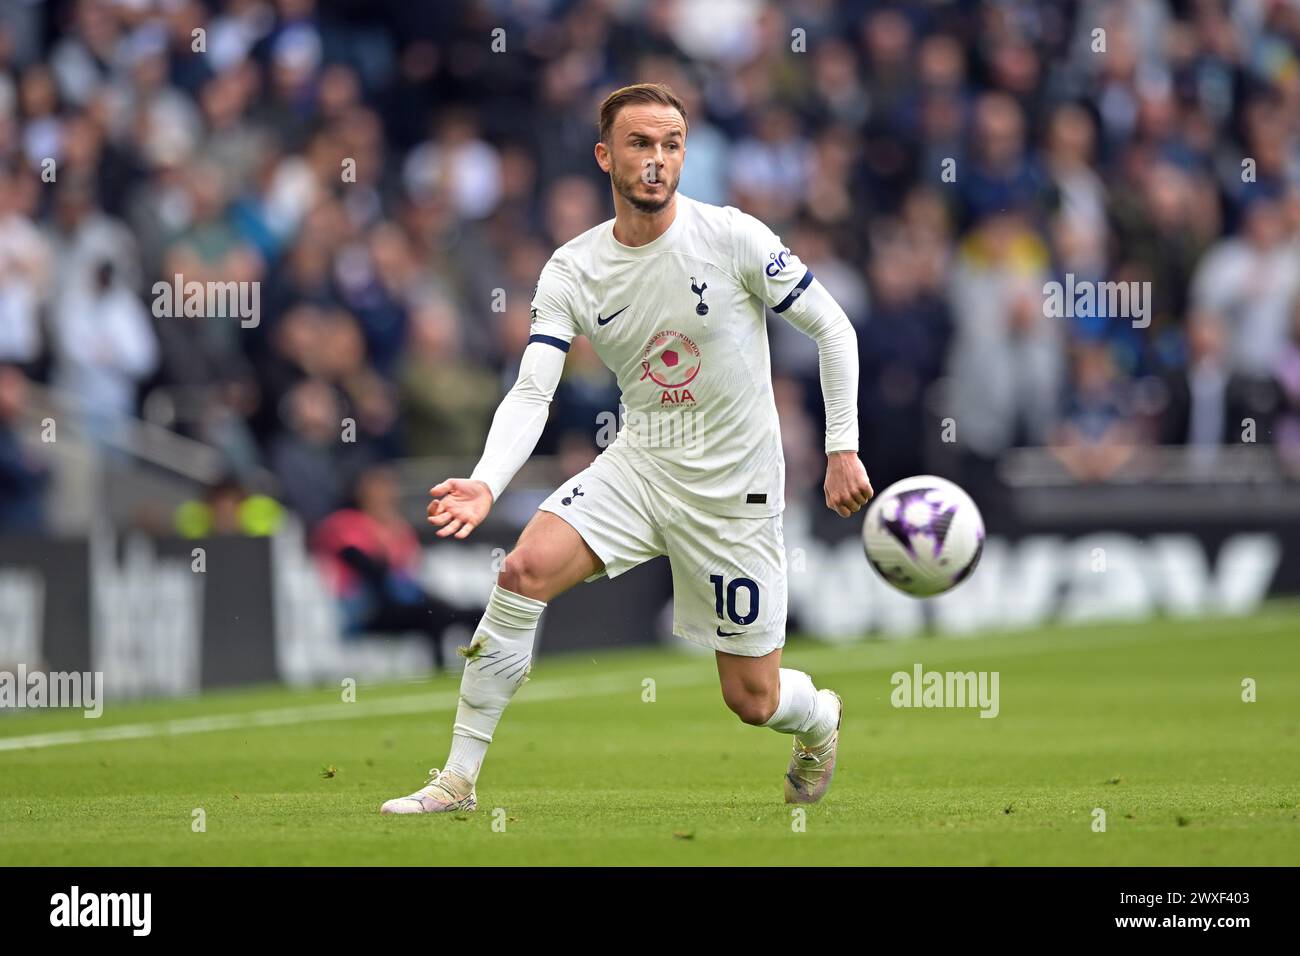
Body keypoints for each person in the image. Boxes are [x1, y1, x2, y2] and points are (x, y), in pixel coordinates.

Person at [380, 84, 873, 815]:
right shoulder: (572, 270)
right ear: (605, 156)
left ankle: (821, 719)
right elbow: (532, 390)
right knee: (520, 571)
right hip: (641, 464)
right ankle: (457, 779)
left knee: (752, 698)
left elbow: (833, 329)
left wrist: (842, 448)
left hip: (735, 489)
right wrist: (487, 482)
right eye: (641, 144)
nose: (657, 160)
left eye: (671, 144)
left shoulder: (734, 236)